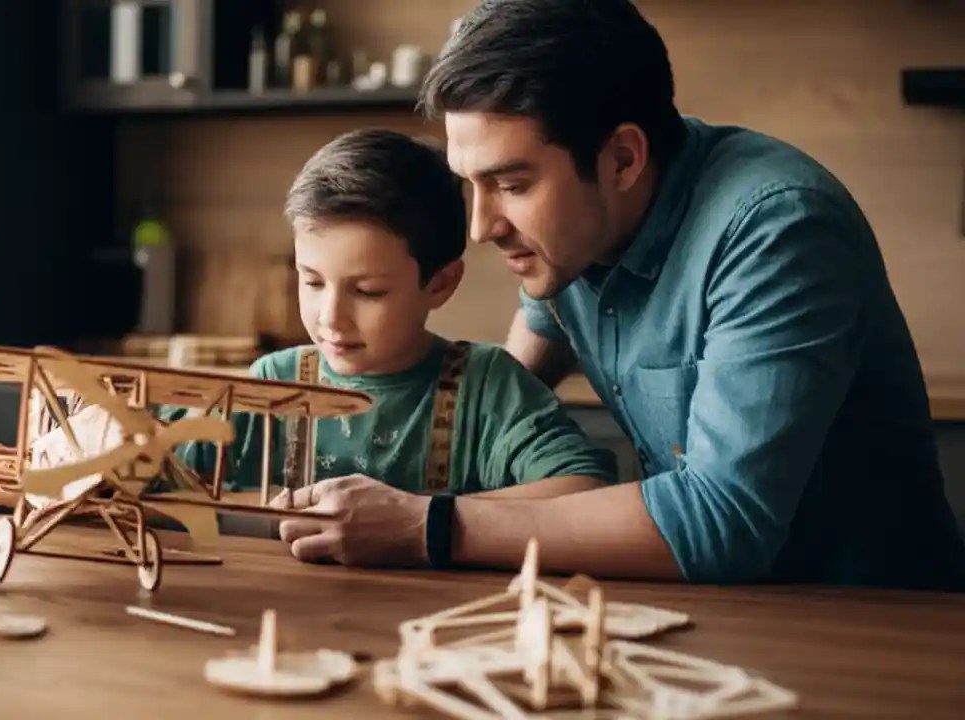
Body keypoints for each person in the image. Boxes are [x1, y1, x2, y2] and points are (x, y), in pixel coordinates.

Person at [273, 0, 965, 590]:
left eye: (512, 184)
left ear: (624, 158)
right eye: (470, 184)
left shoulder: (777, 227)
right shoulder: (566, 242)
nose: (481, 227)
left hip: (873, 623)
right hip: (717, 611)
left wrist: (423, 524)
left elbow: (722, 522)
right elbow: (503, 399)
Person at [165, 128, 617, 565]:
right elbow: (151, 465)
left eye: (368, 292)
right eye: (312, 282)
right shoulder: (271, 385)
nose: (330, 317)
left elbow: (583, 490)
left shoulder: (486, 388)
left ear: (440, 284)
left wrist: (418, 520)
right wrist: (108, 432)